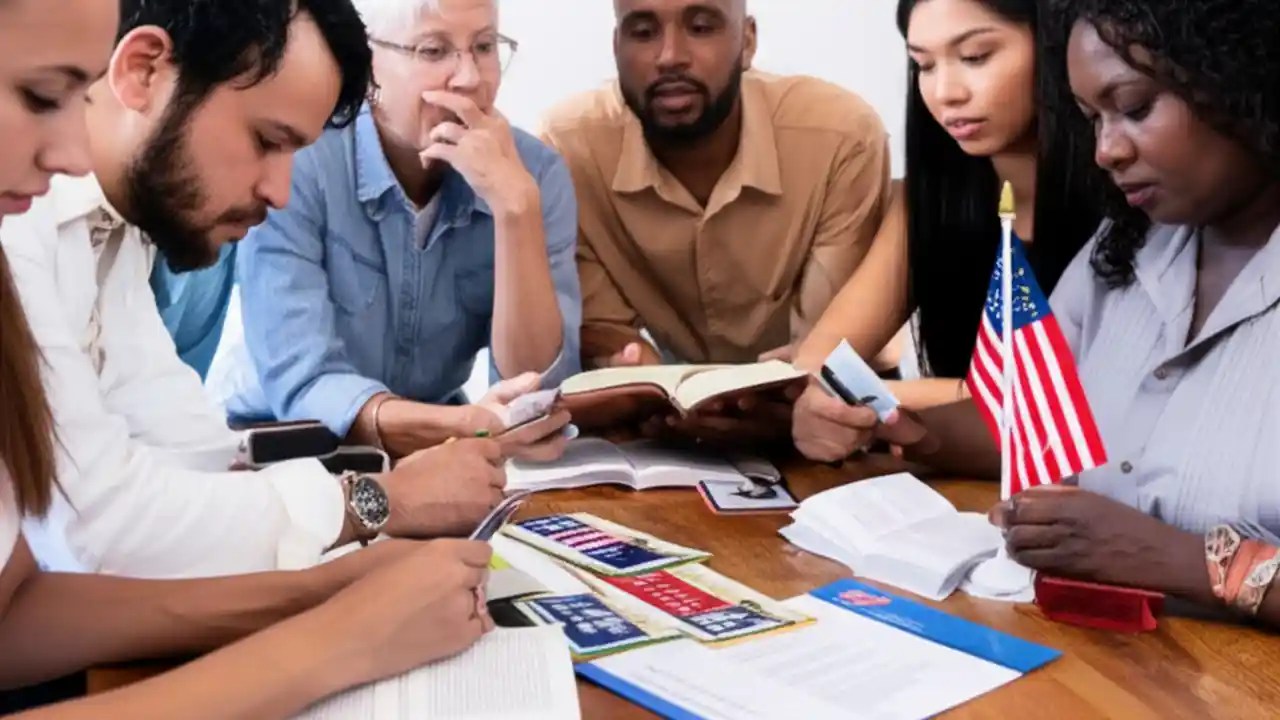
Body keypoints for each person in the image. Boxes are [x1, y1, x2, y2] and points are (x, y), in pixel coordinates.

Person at [0, 0, 492, 715]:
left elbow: (180, 462)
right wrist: (342, 621)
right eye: (46, 95)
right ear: (139, 71)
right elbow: (105, 527)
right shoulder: (20, 230)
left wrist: (318, 589)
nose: (282, 191)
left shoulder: (111, 231)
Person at [872, 0, 1280, 626]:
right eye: (1092, 118)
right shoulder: (1127, 244)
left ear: (1242, 78)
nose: (1105, 151)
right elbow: (1032, 411)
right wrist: (893, 426)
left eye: (1136, 107)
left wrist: (1170, 558)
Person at [212, 0, 580, 461]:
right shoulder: (299, 159)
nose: (469, 78)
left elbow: (534, 398)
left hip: (439, 444)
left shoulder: (536, 177)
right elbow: (303, 381)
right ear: (367, 65)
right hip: (278, 440)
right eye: (433, 51)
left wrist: (515, 212)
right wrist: (467, 427)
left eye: (484, 46)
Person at [539, 0, 894, 440]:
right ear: (616, 46)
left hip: (832, 417)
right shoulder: (568, 150)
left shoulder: (841, 138)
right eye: (643, 32)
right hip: (666, 431)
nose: (670, 56)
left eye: (702, 27)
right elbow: (612, 346)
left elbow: (827, 347)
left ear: (747, 42)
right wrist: (650, 385)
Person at [791, 0, 1104, 463]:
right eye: (924, 65)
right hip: (956, 492)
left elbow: (1080, 403)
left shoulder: (1134, 192)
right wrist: (824, 410)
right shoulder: (928, 198)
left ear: (1060, 44)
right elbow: (819, 365)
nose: (945, 92)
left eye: (976, 57)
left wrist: (886, 396)